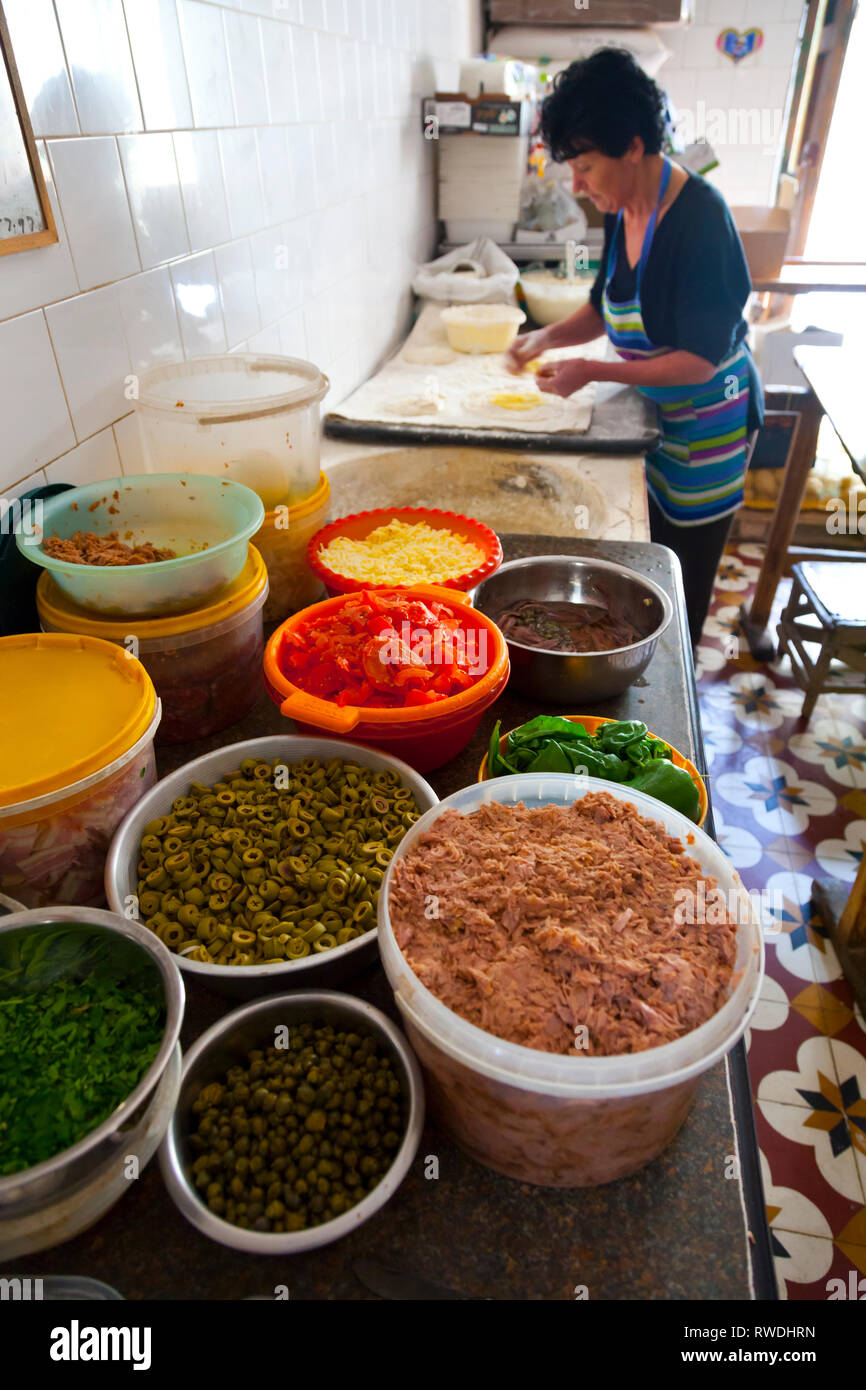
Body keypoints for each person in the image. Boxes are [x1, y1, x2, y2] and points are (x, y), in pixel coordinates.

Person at [506, 47, 764, 648]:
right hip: (657, 413)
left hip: (708, 422)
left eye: (585, 166)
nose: (576, 185)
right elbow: (605, 306)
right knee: (646, 557)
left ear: (632, 146)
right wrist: (541, 337)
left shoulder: (700, 219)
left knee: (683, 574)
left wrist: (591, 370)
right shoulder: (622, 207)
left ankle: (677, 672)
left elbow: (698, 360)